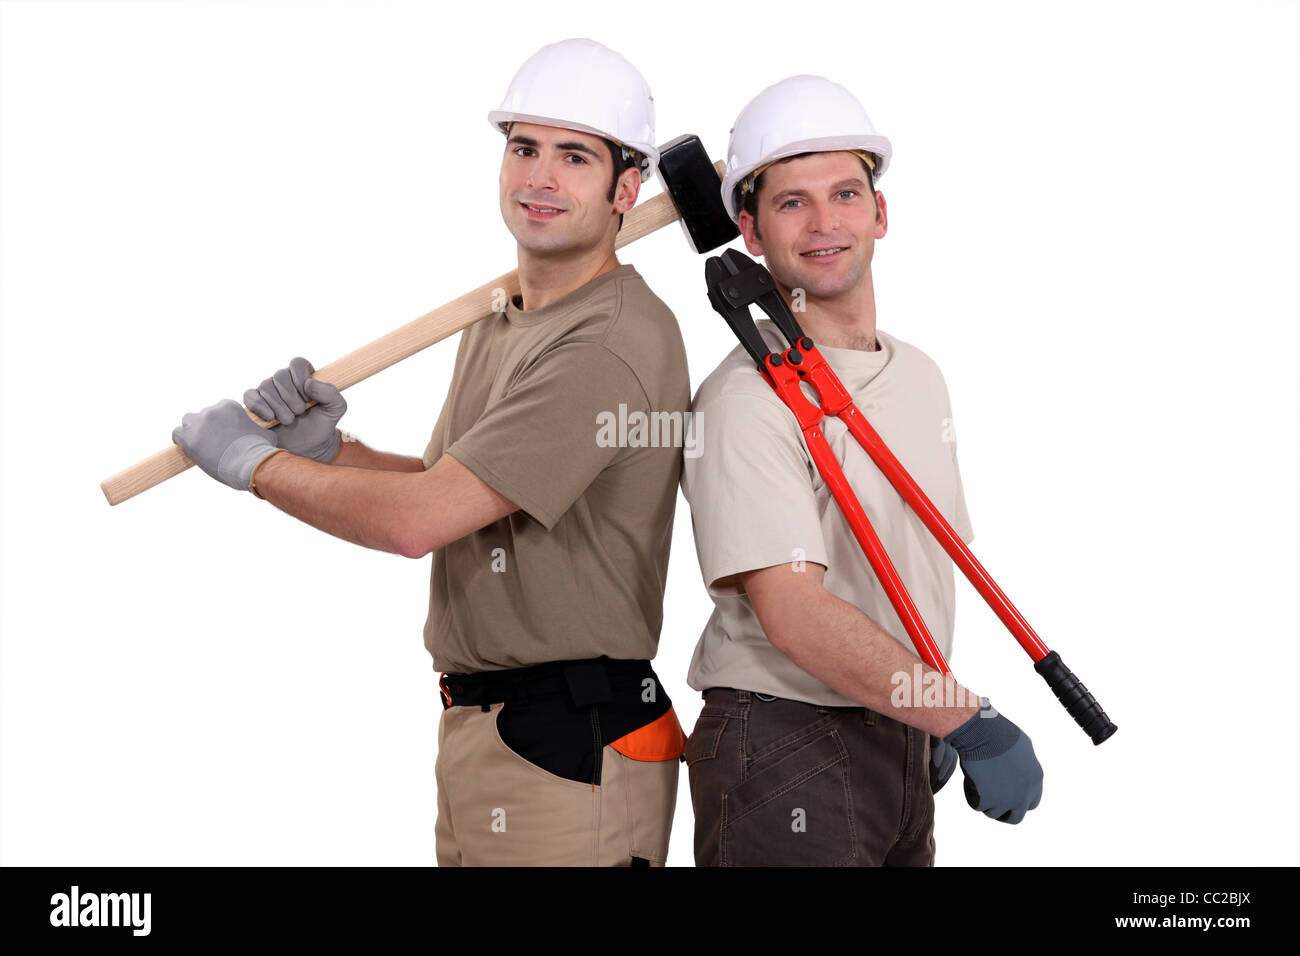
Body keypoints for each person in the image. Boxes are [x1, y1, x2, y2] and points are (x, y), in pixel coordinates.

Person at [172, 38, 690, 867]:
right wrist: (331, 451)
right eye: (523, 148)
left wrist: (255, 465)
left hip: (571, 740)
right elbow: (447, 490)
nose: (540, 178)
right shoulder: (498, 315)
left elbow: (418, 524)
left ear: (627, 188)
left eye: (575, 157)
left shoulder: (609, 341)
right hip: (488, 731)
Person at [679, 75, 1044, 867]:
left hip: (900, 729)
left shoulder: (921, 377)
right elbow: (795, 613)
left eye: (845, 193)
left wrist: (922, 712)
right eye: (790, 203)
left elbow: (911, 573)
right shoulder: (743, 400)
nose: (824, 224)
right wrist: (962, 716)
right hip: (785, 744)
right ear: (748, 229)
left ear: (881, 212)